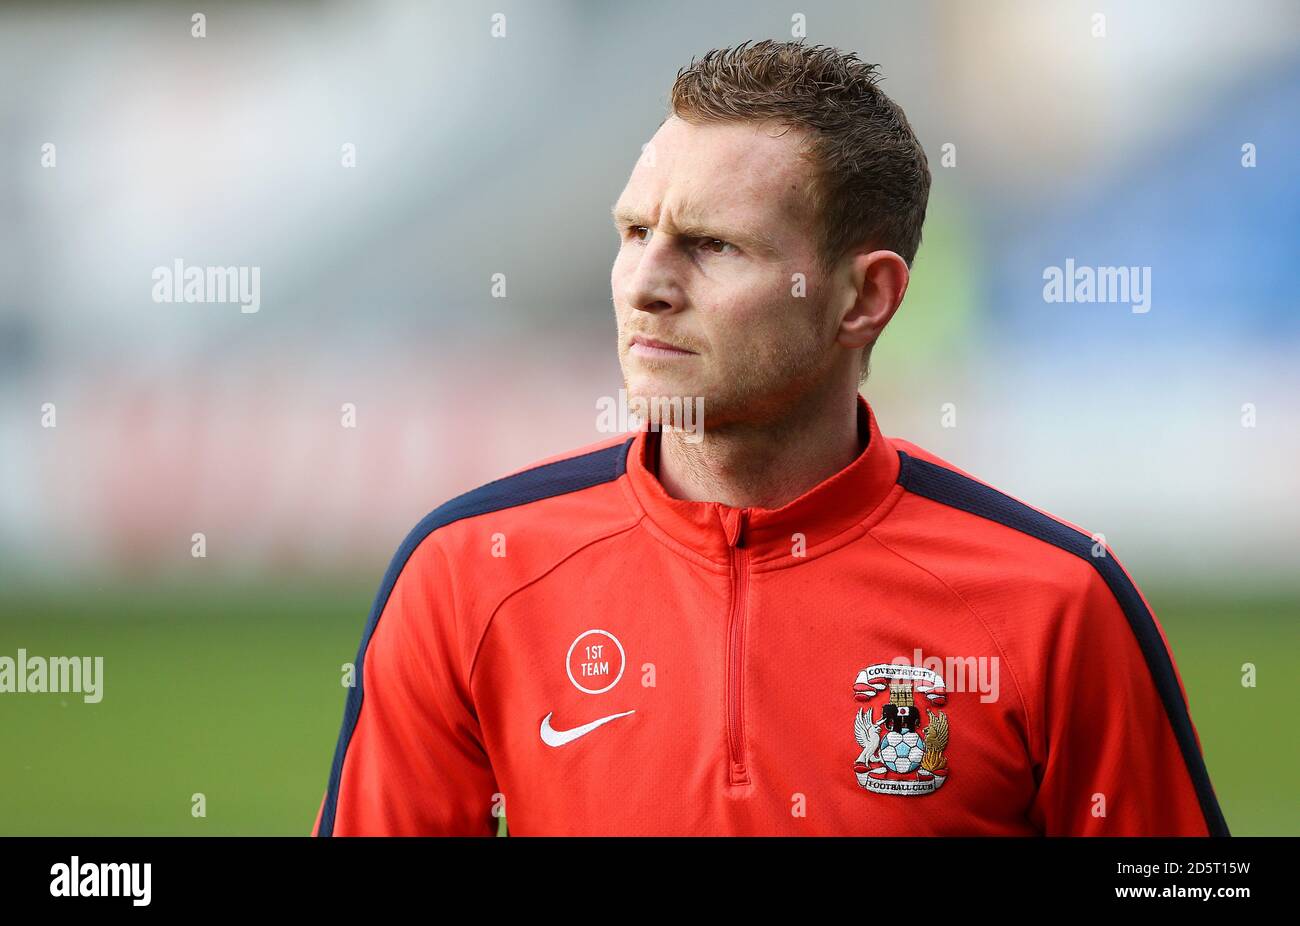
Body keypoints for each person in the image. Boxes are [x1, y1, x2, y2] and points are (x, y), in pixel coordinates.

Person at [311, 40, 1227, 836]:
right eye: (636, 232)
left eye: (713, 246)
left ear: (864, 297)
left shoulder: (1057, 604)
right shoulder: (468, 573)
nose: (645, 284)